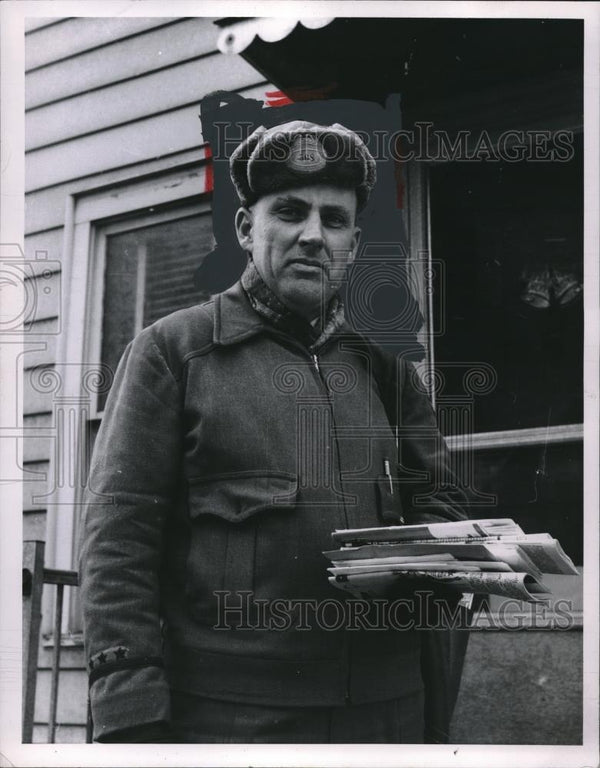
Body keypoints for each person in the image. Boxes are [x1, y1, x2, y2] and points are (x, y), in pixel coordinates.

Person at [79, 120, 468, 744]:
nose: (313, 235)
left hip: (387, 711)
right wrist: (130, 714)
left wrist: (430, 561)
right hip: (232, 718)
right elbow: (119, 542)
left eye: (334, 220)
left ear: (353, 243)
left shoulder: (387, 367)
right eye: (289, 212)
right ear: (245, 229)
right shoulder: (173, 353)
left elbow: (442, 504)